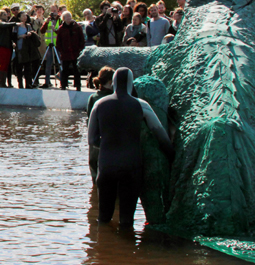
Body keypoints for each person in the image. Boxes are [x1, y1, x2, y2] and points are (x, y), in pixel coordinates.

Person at [87, 68, 174, 228]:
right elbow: (161, 136)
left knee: (103, 218)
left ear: (113, 83)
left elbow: (92, 139)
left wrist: (108, 145)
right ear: (130, 83)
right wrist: (173, 157)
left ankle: (103, 248)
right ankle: (130, 249)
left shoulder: (99, 105)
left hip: (107, 166)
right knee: (127, 221)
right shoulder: (142, 105)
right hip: (132, 166)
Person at [55, 11, 84, 90]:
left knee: (76, 69)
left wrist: (80, 48)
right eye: (67, 17)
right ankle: (63, 84)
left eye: (70, 16)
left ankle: (78, 85)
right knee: (65, 70)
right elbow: (58, 42)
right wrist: (61, 50)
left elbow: (81, 38)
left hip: (75, 52)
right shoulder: (61, 28)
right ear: (63, 19)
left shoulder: (77, 27)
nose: (69, 18)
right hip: (65, 53)